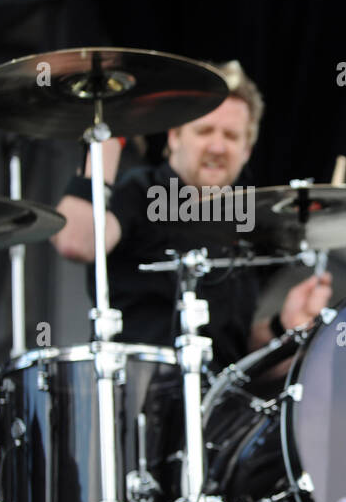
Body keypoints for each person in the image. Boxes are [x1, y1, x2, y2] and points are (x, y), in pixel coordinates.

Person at [51, 60, 331, 367]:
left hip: (216, 412)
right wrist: (108, 135)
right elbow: (76, 241)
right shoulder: (141, 191)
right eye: (204, 130)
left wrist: (281, 326)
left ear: (247, 151)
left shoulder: (247, 221)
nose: (217, 146)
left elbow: (233, 362)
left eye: (231, 136)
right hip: (136, 399)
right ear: (174, 136)